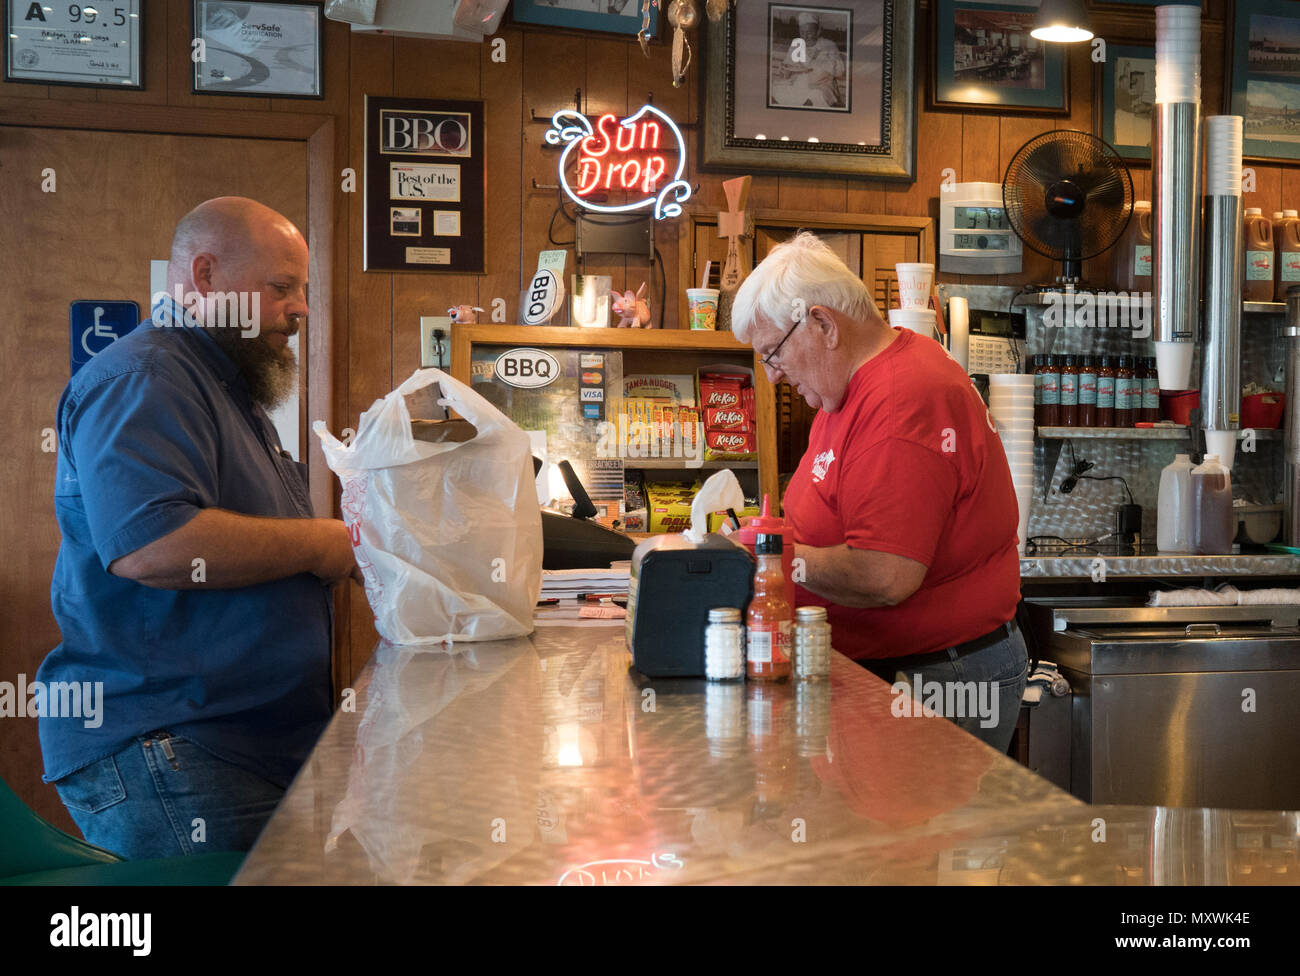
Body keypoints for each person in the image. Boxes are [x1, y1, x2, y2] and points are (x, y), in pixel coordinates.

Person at [37, 197, 360, 859]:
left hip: (234, 739)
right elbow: (150, 546)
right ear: (206, 277)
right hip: (174, 738)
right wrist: (325, 541)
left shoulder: (226, 389)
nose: (300, 310)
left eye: (301, 291)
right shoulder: (145, 376)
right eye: (281, 289)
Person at [730, 233, 1027, 752]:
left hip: (935, 679)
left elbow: (885, 575)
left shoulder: (898, 401)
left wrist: (769, 557)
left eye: (773, 353)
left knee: (912, 834)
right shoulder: (847, 388)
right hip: (894, 671)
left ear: (822, 324)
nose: (772, 376)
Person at [772, 12, 847, 109]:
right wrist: (784, 71)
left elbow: (840, 72)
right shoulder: (796, 45)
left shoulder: (829, 46)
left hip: (820, 87)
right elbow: (788, 68)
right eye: (802, 32)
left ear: (818, 31)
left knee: (812, 99)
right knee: (775, 91)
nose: (805, 36)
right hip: (796, 85)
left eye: (809, 33)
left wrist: (814, 63)